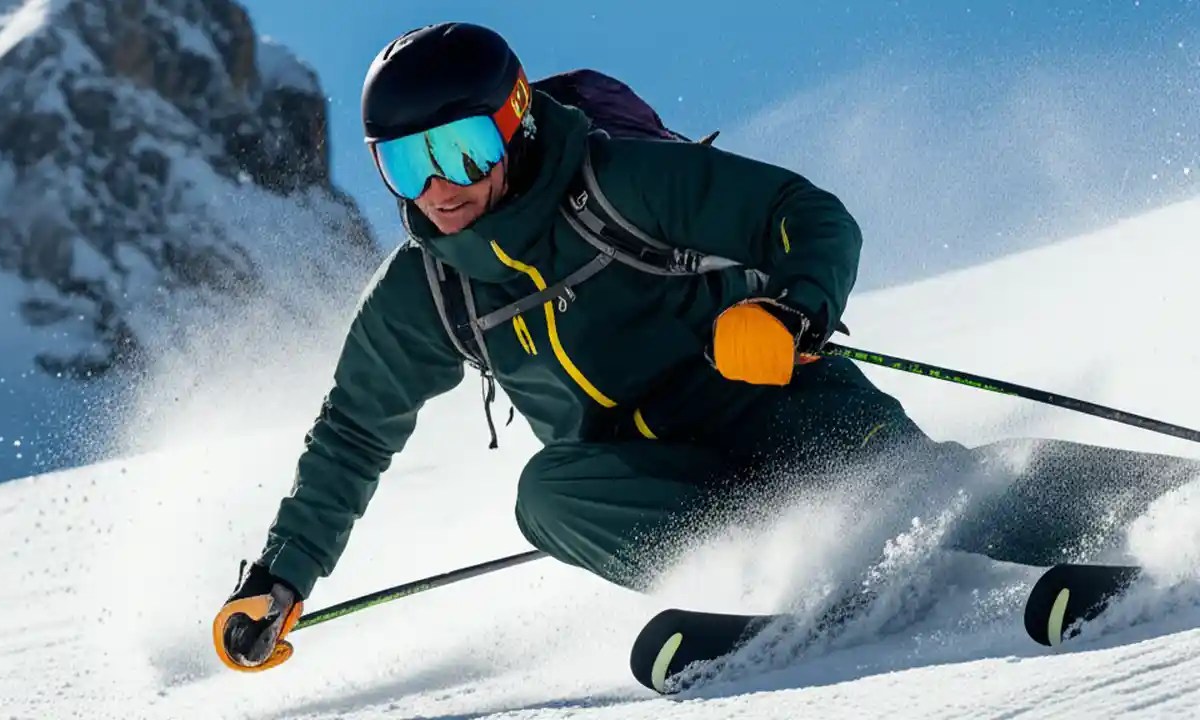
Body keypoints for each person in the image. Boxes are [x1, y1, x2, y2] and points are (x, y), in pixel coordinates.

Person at [212, 22, 1199, 672]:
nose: (438, 186)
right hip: (654, 472)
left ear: (513, 123)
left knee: (919, 495)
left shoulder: (615, 183)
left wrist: (789, 314)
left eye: (459, 147)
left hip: (774, 394)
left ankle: (1162, 515)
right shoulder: (428, 286)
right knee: (547, 496)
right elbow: (352, 431)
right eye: (403, 162)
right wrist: (279, 579)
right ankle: (770, 590)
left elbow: (802, 217)